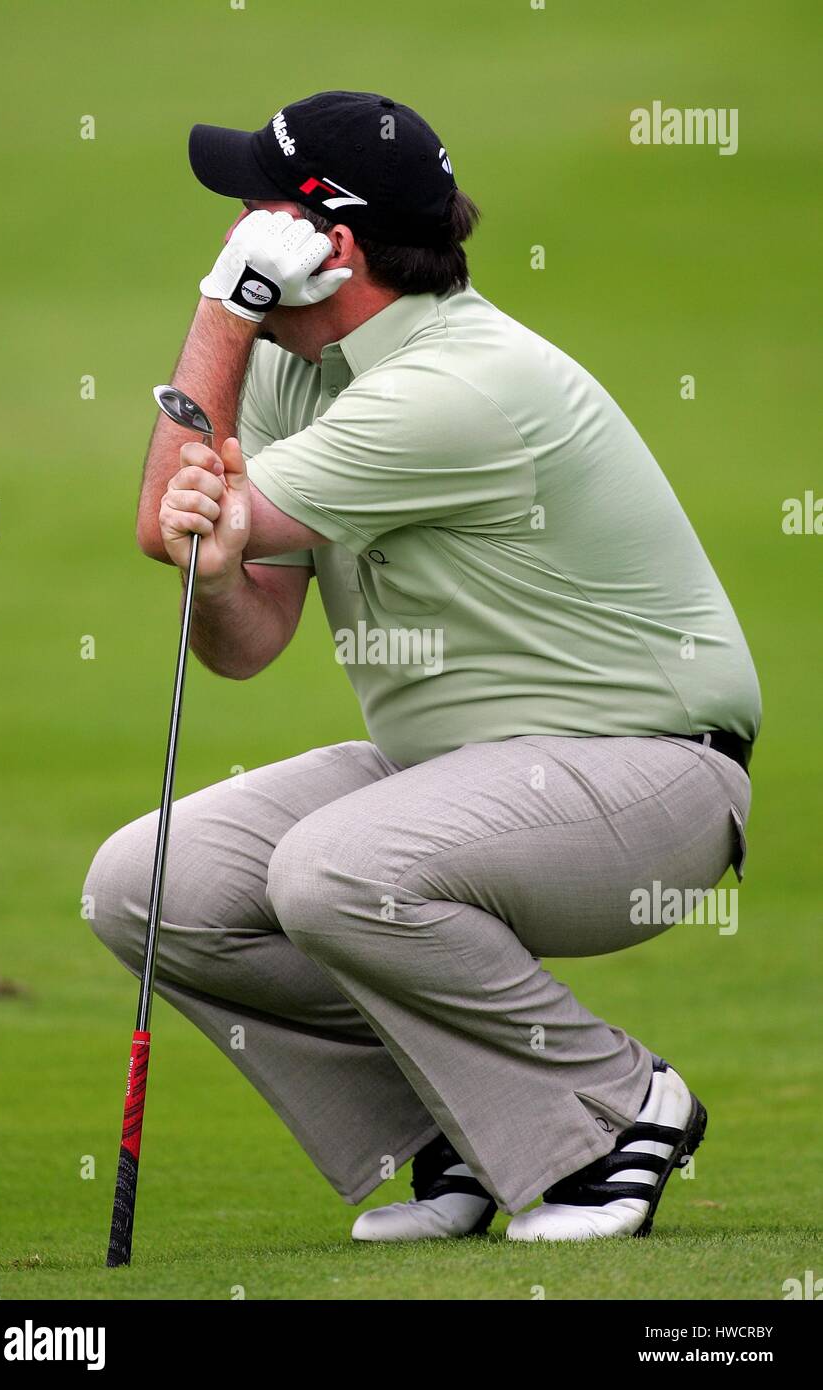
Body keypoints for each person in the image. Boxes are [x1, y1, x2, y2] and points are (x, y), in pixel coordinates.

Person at [85, 91, 761, 1242]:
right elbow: (245, 635)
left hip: (651, 780)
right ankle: (458, 1135)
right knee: (153, 886)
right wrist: (212, 583)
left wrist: (220, 311)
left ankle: (612, 1108)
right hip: (455, 778)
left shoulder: (451, 387)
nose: (237, 227)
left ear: (323, 247)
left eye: (255, 211)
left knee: (330, 870)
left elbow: (167, 517)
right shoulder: (312, 369)